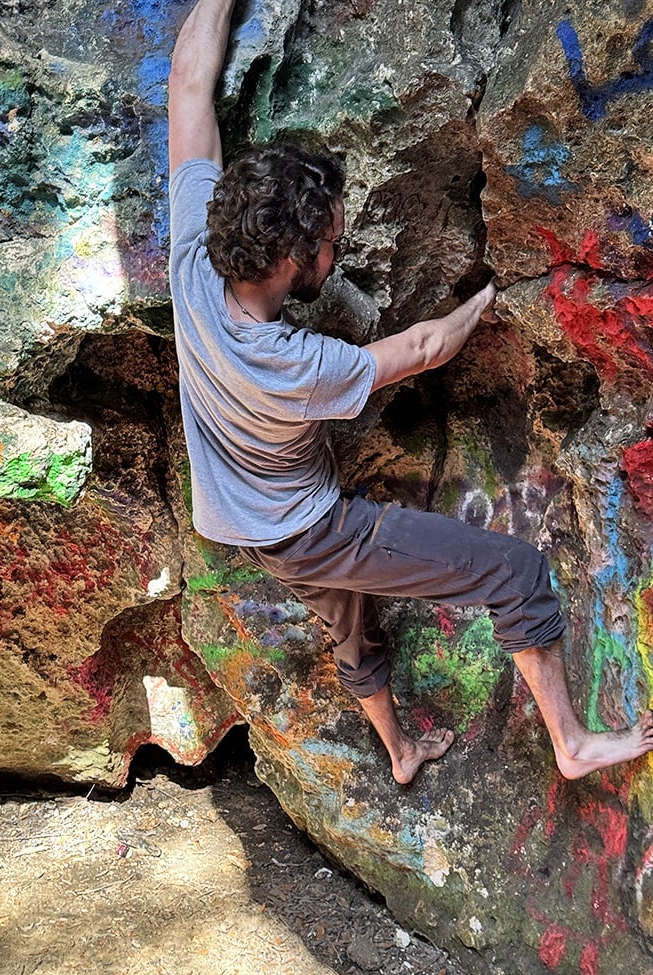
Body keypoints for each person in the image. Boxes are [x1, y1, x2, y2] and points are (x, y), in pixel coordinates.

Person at [167, 0, 653, 784]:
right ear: (293, 257)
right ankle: (573, 743)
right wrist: (501, 288)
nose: (339, 245)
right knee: (514, 572)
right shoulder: (294, 362)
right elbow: (426, 346)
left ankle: (398, 752)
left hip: (245, 526)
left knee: (350, 627)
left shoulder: (193, 254)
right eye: (329, 241)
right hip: (311, 525)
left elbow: (189, 80)